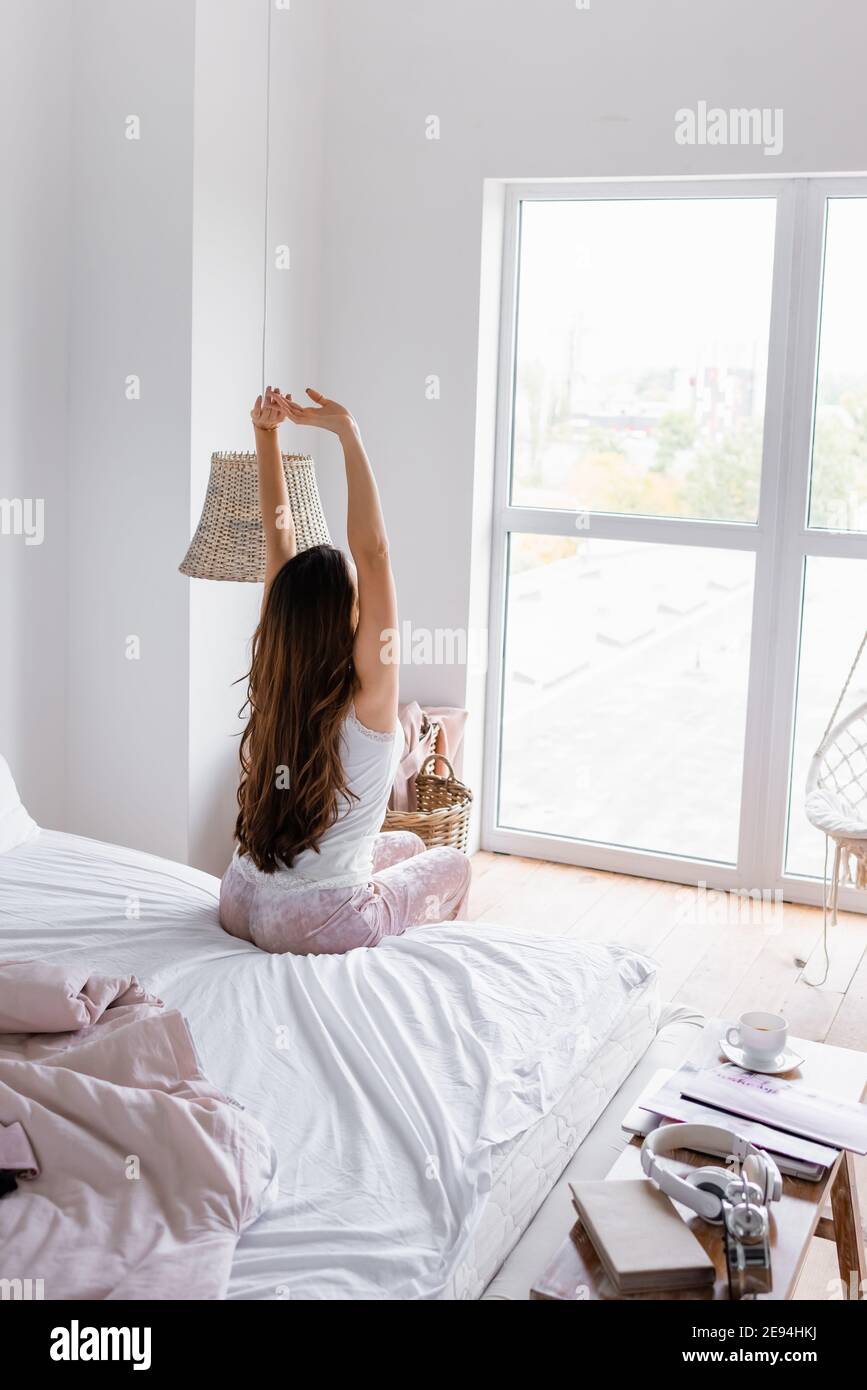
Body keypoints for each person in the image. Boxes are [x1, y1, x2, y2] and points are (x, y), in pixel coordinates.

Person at [218, 387, 471, 954]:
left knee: (405, 848)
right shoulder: (369, 695)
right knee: (450, 862)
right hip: (312, 919)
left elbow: (279, 542)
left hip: (240, 896)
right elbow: (373, 553)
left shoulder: (273, 672)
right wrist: (347, 431)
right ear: (348, 616)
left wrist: (265, 436)